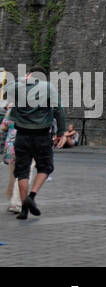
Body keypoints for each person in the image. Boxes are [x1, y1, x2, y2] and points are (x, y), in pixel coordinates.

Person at [13, 71, 68, 220]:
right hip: (42, 135)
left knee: (22, 170)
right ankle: (31, 196)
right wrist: (61, 132)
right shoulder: (48, 88)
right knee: (45, 167)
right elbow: (59, 111)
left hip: (22, 135)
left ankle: (24, 209)